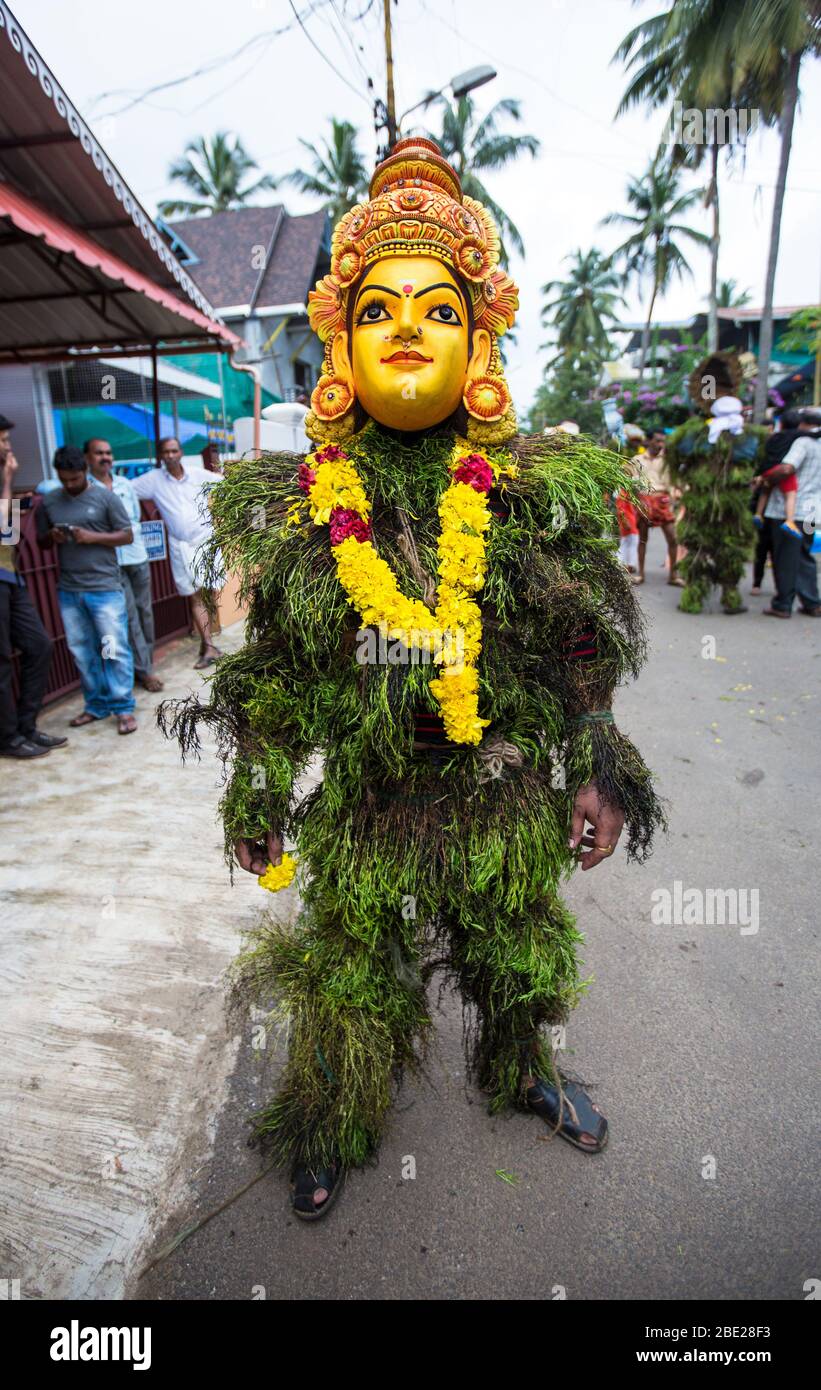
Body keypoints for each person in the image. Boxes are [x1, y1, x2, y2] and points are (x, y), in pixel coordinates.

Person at [161, 137, 663, 1219]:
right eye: (378, 309)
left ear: (479, 342)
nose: (404, 331)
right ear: (339, 342)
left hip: (498, 790)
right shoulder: (308, 507)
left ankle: (522, 1066)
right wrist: (256, 792)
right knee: (346, 972)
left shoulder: (528, 496)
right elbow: (284, 674)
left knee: (517, 947)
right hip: (367, 804)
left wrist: (595, 772)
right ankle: (333, 1114)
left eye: (437, 311)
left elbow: (579, 651)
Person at [37, 445, 137, 734]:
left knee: (113, 649)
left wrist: (91, 536)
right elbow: (41, 542)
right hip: (69, 590)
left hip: (104, 587)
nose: (69, 484)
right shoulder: (51, 501)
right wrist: (52, 536)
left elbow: (127, 535)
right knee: (82, 652)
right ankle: (96, 705)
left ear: (84, 470)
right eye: (64, 479)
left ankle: (123, 708)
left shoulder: (105, 497)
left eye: (74, 479)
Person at [666, 353, 766, 614]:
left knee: (699, 549)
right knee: (729, 549)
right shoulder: (748, 438)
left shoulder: (693, 435)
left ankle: (693, 599)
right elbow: (752, 462)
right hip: (731, 508)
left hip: (702, 506)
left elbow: (677, 457)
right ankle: (729, 598)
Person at [0, 414, 65, 759]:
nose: (9, 447)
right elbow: (5, 535)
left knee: (39, 646)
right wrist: (8, 482)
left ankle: (27, 728)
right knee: (1, 663)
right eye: (4, 441)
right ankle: (9, 738)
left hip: (10, 577)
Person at [131, 437, 223, 669]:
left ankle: (207, 642)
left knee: (209, 591)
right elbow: (125, 489)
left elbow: (225, 484)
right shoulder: (154, 480)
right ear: (161, 456)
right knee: (194, 594)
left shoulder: (198, 475)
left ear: (180, 452)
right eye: (166, 452)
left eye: (174, 451)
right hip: (180, 545)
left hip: (205, 541)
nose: (170, 455)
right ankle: (209, 644)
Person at [85, 438, 163, 693]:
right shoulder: (85, 488)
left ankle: (146, 662)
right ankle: (145, 671)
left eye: (108, 453)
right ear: (88, 458)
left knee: (145, 612)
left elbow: (136, 518)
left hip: (137, 555)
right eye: (99, 453)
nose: (105, 457)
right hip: (111, 562)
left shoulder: (124, 484)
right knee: (129, 617)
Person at [762, 409, 821, 618]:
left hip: (790, 510)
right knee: (805, 555)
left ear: (803, 424)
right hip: (813, 511)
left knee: (785, 557)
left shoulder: (803, 443)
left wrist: (767, 477)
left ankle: (783, 604)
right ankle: (812, 602)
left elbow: (787, 469)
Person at [750, 408, 801, 594]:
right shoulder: (799, 440)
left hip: (767, 479)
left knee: (761, 548)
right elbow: (788, 470)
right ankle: (790, 519)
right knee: (791, 493)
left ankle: (756, 584)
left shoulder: (772, 440)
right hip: (783, 488)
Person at [631, 429, 684, 587]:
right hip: (644, 500)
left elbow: (674, 482)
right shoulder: (637, 460)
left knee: (673, 538)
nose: (661, 444)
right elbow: (629, 481)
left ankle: (673, 575)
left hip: (662, 501)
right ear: (649, 441)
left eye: (662, 441)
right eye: (657, 441)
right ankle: (640, 573)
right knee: (642, 539)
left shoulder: (667, 461)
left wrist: (678, 493)